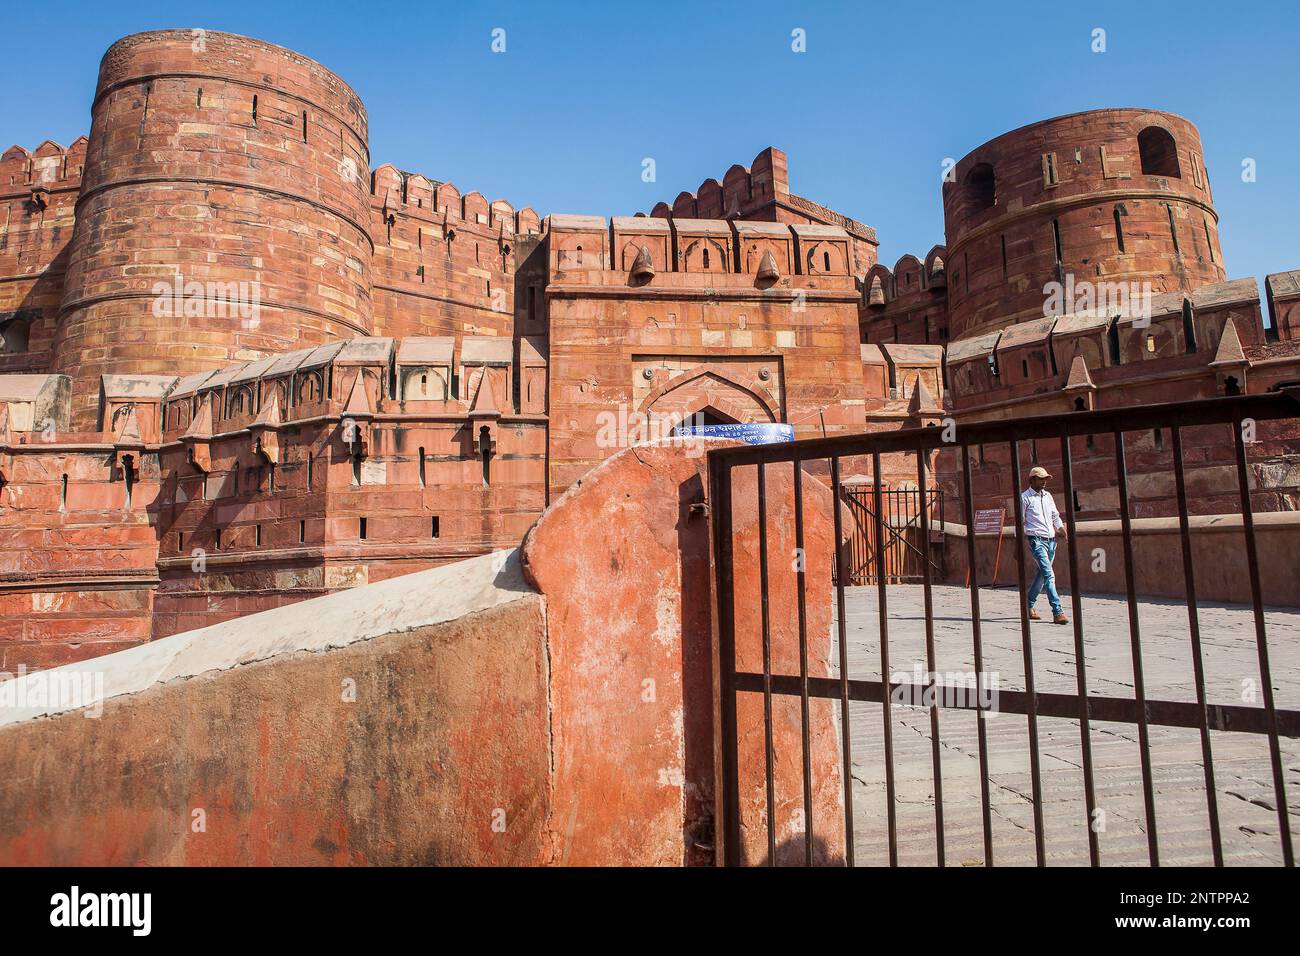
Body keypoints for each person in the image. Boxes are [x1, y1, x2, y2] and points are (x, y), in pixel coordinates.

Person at [1021, 465, 1069, 625]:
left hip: (1050, 541)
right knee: (1049, 575)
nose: (1044, 482)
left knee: (1042, 575)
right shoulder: (1025, 498)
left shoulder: (1048, 496)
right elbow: (1020, 522)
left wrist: (1062, 530)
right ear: (1032, 480)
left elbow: (1055, 515)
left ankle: (1027, 604)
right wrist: (1017, 545)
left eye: (1045, 479)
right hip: (1036, 540)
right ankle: (1057, 611)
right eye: (1041, 479)